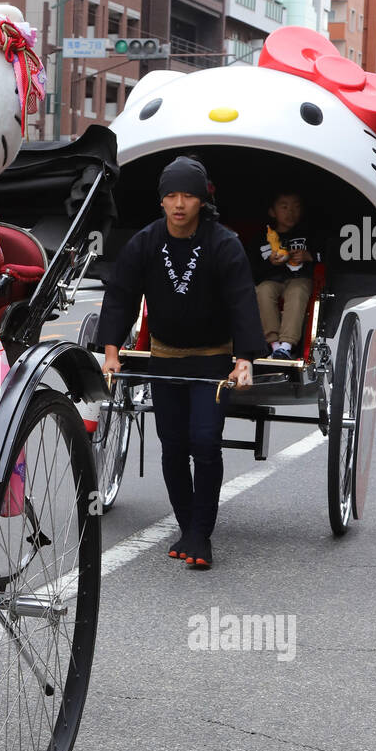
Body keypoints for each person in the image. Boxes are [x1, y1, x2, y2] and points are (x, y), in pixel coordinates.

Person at [97, 155, 266, 569]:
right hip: (165, 359)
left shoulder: (222, 243)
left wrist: (244, 359)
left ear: (201, 200)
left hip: (211, 363)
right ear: (160, 201)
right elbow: (121, 295)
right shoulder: (146, 241)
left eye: (187, 195)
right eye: (170, 195)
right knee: (172, 446)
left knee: (205, 443)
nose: (178, 203)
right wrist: (112, 354)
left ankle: (199, 535)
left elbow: (242, 299)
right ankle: (189, 526)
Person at [248, 191, 319, 360]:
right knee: (263, 291)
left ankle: (287, 345)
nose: (290, 212)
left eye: (296, 207)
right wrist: (270, 262)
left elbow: (327, 256)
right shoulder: (261, 238)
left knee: (297, 291)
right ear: (272, 212)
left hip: (299, 278)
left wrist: (308, 256)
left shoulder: (310, 233)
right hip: (271, 279)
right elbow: (252, 269)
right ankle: (275, 346)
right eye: (284, 207)